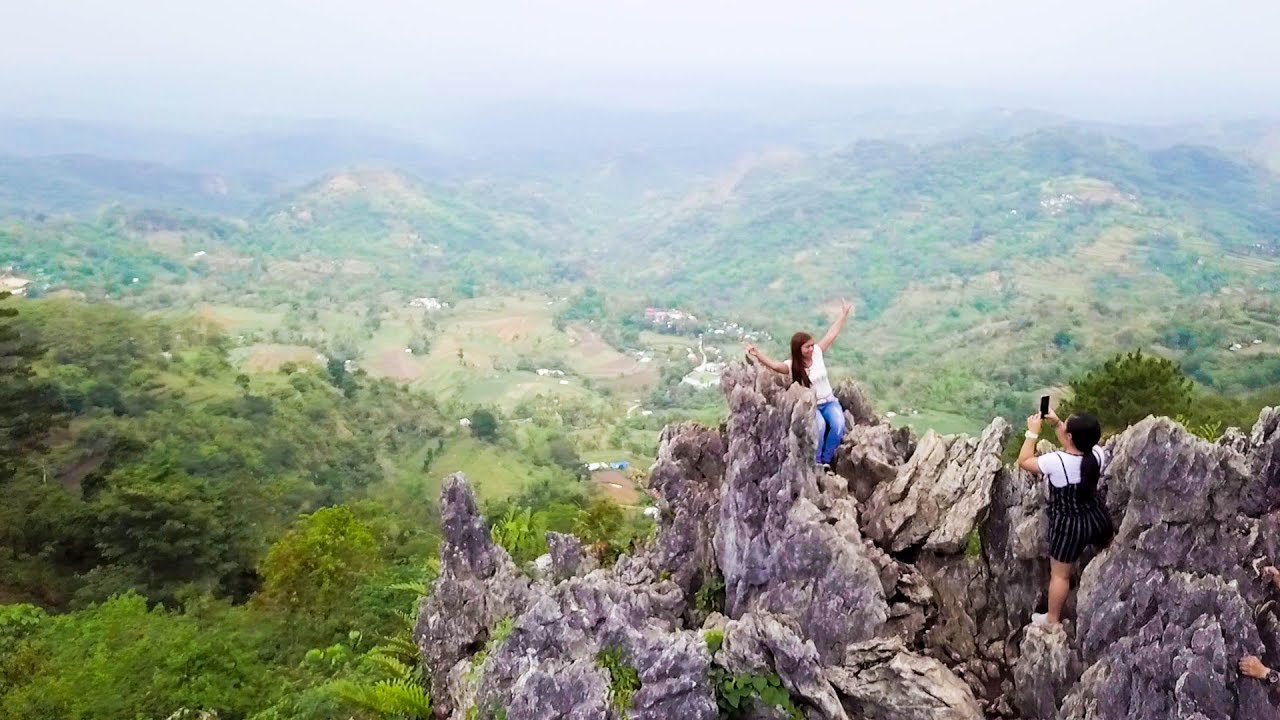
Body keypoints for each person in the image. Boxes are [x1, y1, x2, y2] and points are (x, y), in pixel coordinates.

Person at [1017, 409, 1114, 625]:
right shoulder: (1098, 453)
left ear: (1070, 436)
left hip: (1069, 526)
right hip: (1097, 517)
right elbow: (1074, 446)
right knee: (1109, 547)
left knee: (1060, 576)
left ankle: (1052, 620)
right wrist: (1058, 423)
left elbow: (1024, 460)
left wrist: (1032, 433)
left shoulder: (1055, 461)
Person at [743, 299, 853, 468]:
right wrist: (757, 354)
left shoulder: (817, 353)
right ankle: (816, 462)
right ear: (798, 349)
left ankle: (826, 460)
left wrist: (844, 314)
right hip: (812, 406)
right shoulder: (792, 366)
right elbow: (774, 366)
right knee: (820, 428)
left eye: (811, 345)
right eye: (807, 347)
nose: (811, 348)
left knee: (838, 426)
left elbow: (832, 334)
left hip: (829, 401)